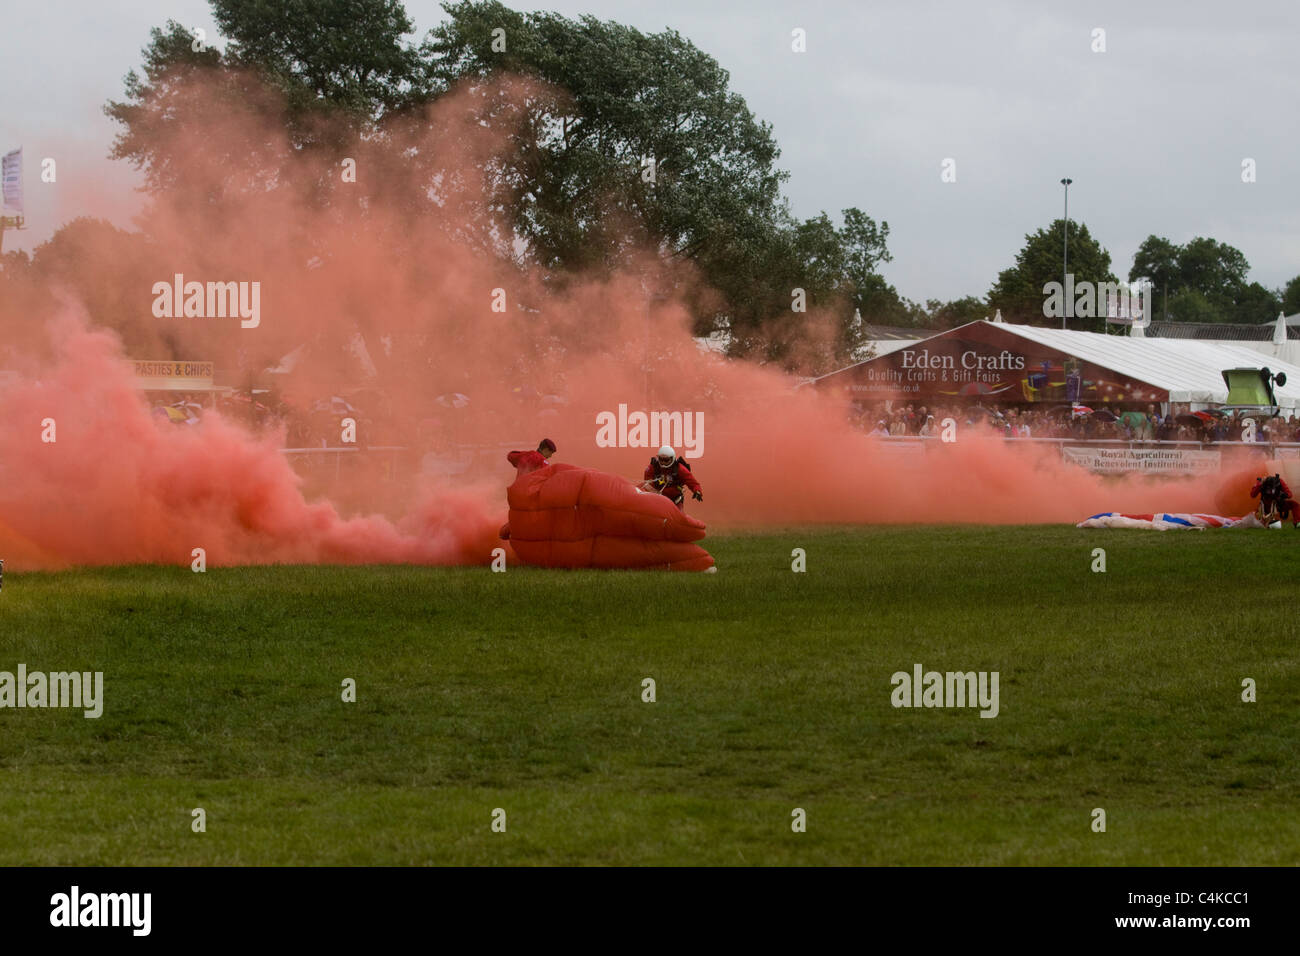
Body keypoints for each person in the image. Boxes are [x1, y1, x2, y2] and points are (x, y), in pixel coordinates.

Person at [643, 444, 701, 510]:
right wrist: (654, 492)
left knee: (678, 516)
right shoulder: (653, 467)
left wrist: (697, 491)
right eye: (661, 459)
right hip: (657, 498)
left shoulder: (680, 469)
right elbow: (647, 482)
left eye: (666, 460)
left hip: (675, 499)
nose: (663, 462)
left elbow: (692, 482)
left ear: (672, 458)